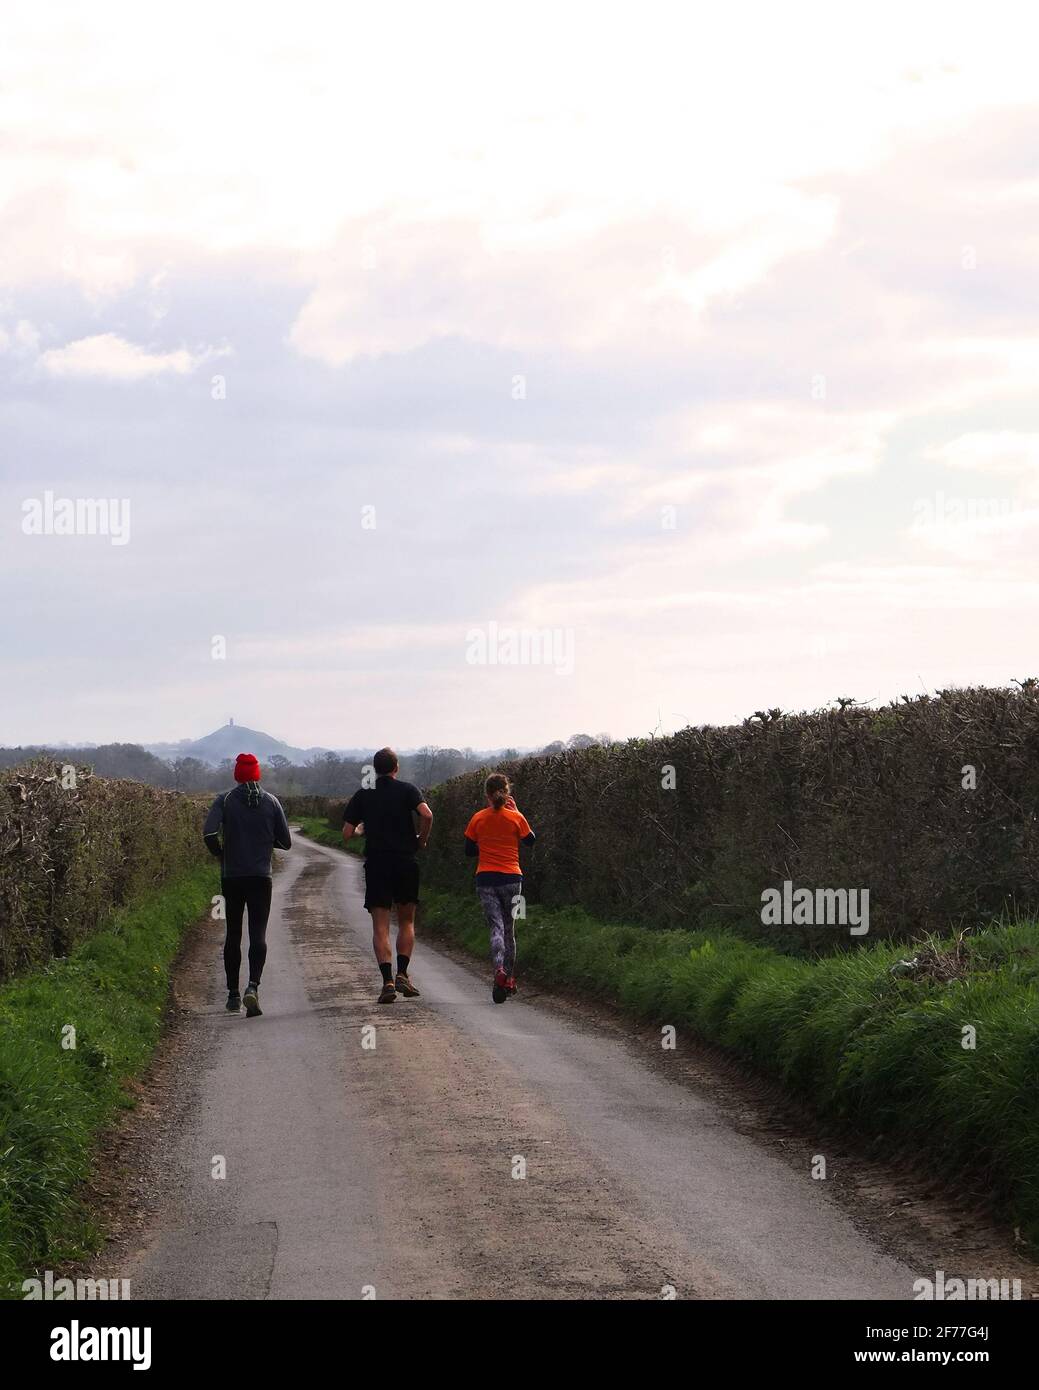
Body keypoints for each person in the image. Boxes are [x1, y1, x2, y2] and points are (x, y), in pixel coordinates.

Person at [342, 747, 433, 1004]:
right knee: (406, 922)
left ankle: (387, 982)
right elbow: (427, 815)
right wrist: (421, 841)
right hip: (405, 862)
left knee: (380, 926)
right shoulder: (408, 790)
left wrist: (361, 830)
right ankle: (403, 973)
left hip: (378, 864)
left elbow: (347, 833)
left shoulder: (363, 795)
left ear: (374, 769)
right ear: (396, 768)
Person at [203, 752, 292, 1017]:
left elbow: (208, 833)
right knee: (258, 933)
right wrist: (266, 843)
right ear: (257, 773)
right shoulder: (271, 802)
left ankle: (232, 995)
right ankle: (252, 987)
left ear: (237, 774)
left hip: (232, 876)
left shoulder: (225, 800)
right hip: (261, 876)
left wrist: (220, 853)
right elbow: (286, 842)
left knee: (233, 933)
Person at [463, 773, 536, 1004]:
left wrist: (486, 844)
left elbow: (468, 850)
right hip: (513, 878)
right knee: (509, 929)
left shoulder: (478, 818)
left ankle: (498, 972)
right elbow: (530, 840)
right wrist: (517, 812)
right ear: (507, 793)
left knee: (495, 927)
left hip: (486, 879)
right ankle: (510, 979)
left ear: (487, 795)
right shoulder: (516, 817)